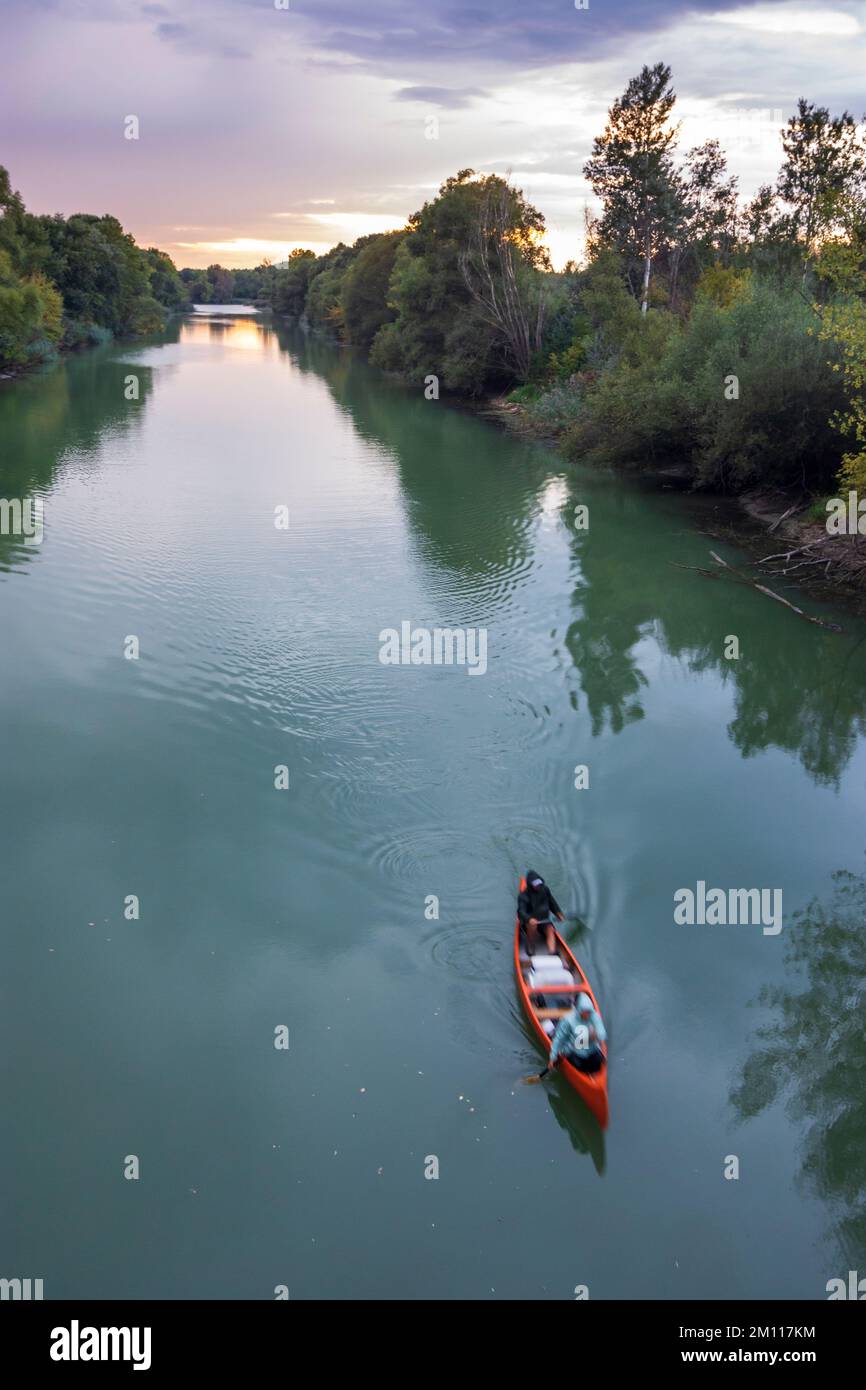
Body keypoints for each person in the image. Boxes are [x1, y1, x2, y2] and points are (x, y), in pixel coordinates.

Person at [549, 992, 606, 1074]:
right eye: (585, 1012)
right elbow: (558, 1038)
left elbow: (602, 1033)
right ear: (579, 1010)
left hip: (590, 1050)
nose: (587, 1015)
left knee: (597, 1065)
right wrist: (553, 1057)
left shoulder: (594, 1016)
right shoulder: (568, 1020)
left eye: (589, 1012)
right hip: (573, 1050)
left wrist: (597, 1035)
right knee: (580, 1065)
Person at [517, 869, 564, 954]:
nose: (537, 886)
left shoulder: (545, 890)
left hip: (544, 920)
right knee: (532, 927)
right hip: (529, 923)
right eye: (535, 884)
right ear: (530, 885)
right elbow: (521, 911)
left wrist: (558, 913)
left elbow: (552, 902)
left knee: (550, 929)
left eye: (538, 883)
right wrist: (529, 919)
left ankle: (552, 952)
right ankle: (530, 944)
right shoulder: (523, 896)